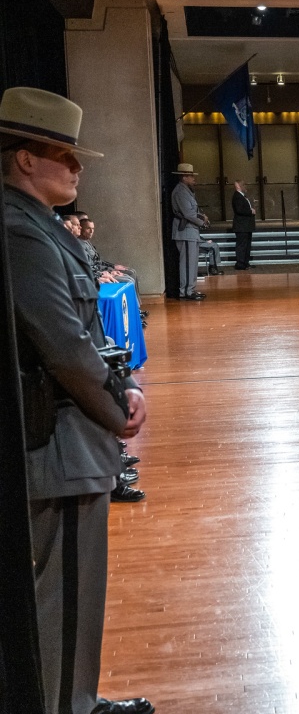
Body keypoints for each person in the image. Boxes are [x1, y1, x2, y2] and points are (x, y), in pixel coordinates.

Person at [3, 86, 154, 714]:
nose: (77, 167)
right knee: (64, 596)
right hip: (59, 444)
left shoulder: (38, 224)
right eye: (64, 155)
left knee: (72, 595)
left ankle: (77, 698)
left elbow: (83, 336)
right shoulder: (20, 230)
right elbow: (64, 346)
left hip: (69, 438)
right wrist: (116, 411)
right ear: (24, 159)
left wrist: (126, 385)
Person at [170, 162, 207, 299]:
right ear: (184, 177)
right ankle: (186, 291)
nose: (193, 179)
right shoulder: (180, 191)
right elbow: (188, 213)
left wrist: (201, 218)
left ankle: (190, 289)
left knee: (192, 263)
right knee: (187, 263)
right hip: (185, 231)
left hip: (190, 231)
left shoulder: (187, 191)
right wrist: (202, 221)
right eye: (191, 176)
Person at [231, 178, 256, 270]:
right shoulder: (237, 196)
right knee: (242, 245)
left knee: (247, 245)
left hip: (246, 225)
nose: (245, 187)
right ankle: (240, 263)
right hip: (241, 225)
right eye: (243, 185)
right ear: (238, 186)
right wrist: (250, 211)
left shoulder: (242, 196)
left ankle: (245, 262)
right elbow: (239, 210)